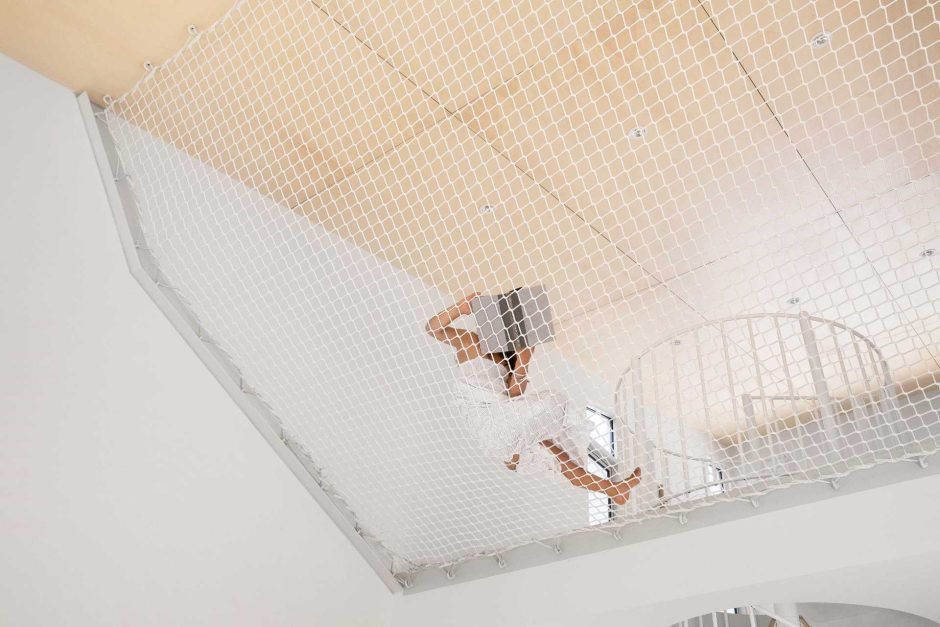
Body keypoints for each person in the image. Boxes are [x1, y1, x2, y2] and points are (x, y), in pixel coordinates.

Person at [426, 293, 641, 504]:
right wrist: (460, 309)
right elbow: (433, 328)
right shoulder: (470, 341)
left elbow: (512, 395)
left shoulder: (507, 360)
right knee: (558, 443)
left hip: (503, 427)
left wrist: (523, 359)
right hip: (492, 425)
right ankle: (614, 490)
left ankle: (613, 490)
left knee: (559, 446)